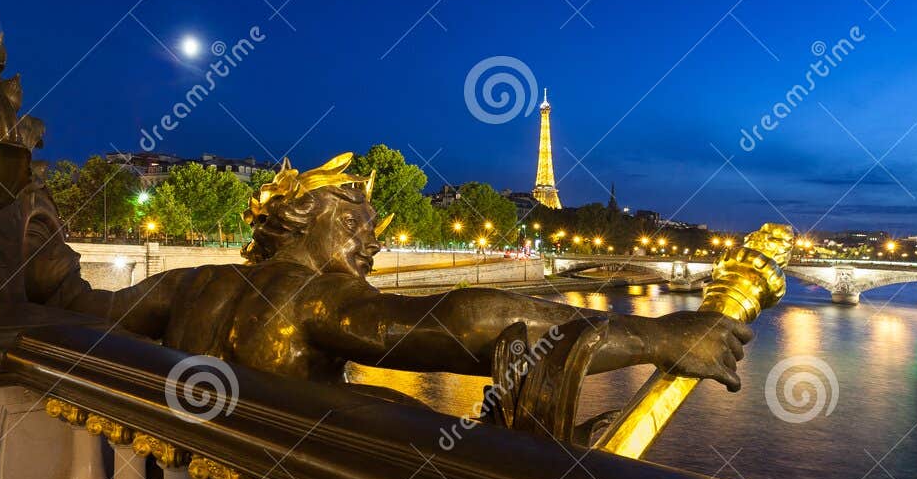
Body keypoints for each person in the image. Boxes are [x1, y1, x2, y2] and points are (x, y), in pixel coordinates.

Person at [68, 153, 748, 390]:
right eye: (359, 220)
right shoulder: (312, 297)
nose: (373, 240)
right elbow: (462, 322)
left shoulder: (194, 283)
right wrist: (657, 338)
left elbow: (84, 309)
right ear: (304, 218)